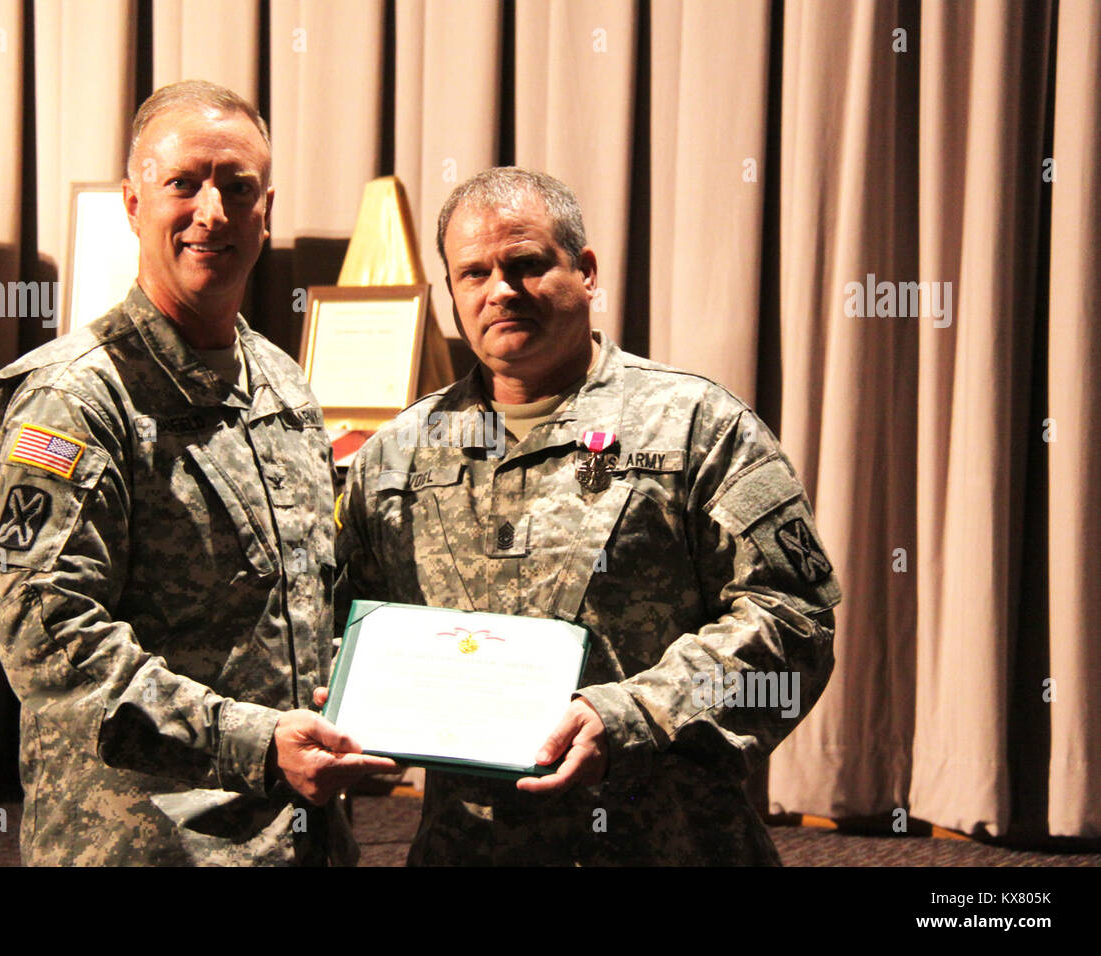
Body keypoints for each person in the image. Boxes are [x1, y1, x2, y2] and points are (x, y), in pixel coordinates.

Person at [335, 167, 841, 865]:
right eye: (473, 274)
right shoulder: (394, 458)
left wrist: (634, 715)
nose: (501, 291)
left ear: (587, 270)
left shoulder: (697, 427)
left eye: (527, 264)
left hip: (668, 845)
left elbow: (794, 617)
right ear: (450, 293)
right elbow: (341, 634)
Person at [0, 80, 394, 866]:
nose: (213, 212)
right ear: (133, 206)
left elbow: (309, 607)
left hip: (299, 839)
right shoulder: (72, 397)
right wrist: (255, 743)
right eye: (184, 184)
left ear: (264, 211)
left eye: (238, 189)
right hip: (150, 844)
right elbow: (47, 639)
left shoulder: (284, 385)